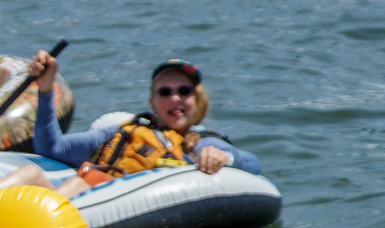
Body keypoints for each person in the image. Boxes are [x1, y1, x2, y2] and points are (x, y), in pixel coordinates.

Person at [27, 53, 260, 198]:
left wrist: (224, 158)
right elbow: (51, 148)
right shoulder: (125, 132)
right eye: (165, 92)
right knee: (29, 173)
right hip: (93, 199)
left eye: (184, 91)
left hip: (141, 208)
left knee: (79, 182)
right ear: (153, 103)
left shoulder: (202, 142)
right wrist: (46, 88)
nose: (175, 98)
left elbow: (252, 164)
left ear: (196, 100)